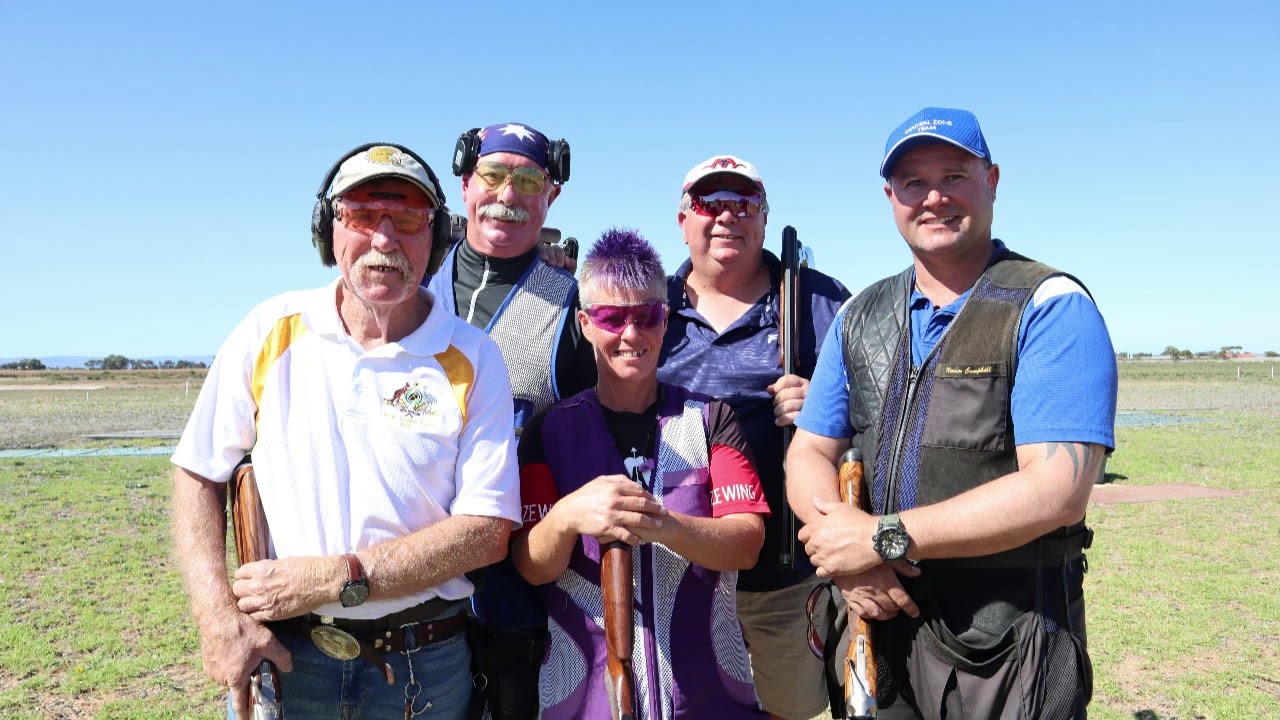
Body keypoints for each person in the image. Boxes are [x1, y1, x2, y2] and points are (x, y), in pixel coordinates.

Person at [172, 143, 521, 720]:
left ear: (433, 240)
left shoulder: (474, 356)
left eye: (408, 220)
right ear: (328, 231)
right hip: (288, 656)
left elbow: (485, 531)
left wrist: (337, 578)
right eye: (362, 215)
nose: (385, 239)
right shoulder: (270, 330)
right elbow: (196, 472)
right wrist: (216, 617)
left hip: (424, 664)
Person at [788, 108, 1117, 719]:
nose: (933, 196)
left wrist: (880, 539)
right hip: (875, 630)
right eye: (913, 182)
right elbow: (810, 450)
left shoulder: (1049, 306)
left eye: (954, 175)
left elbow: (1057, 490)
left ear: (992, 181)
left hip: (1008, 643)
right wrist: (844, 553)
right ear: (890, 196)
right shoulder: (859, 315)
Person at [512, 229, 772, 719]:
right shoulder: (549, 430)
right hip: (584, 698)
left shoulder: (711, 417)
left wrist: (663, 524)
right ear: (586, 324)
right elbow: (530, 565)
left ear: (665, 320)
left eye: (645, 315)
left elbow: (747, 542)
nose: (631, 334)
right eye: (612, 318)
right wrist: (566, 517)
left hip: (710, 695)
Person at [657, 155, 850, 719]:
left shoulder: (816, 300)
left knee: (786, 708)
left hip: (784, 581)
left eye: (743, 204)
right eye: (709, 204)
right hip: (679, 571)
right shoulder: (650, 307)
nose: (726, 218)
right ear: (682, 219)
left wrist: (824, 407)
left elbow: (880, 406)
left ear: (764, 219)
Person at [425, 122, 596, 717]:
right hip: (415, 575)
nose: (508, 194)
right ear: (466, 185)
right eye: (494, 176)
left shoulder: (576, 302)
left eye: (528, 180)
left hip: (525, 584)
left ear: (551, 196)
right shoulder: (413, 287)